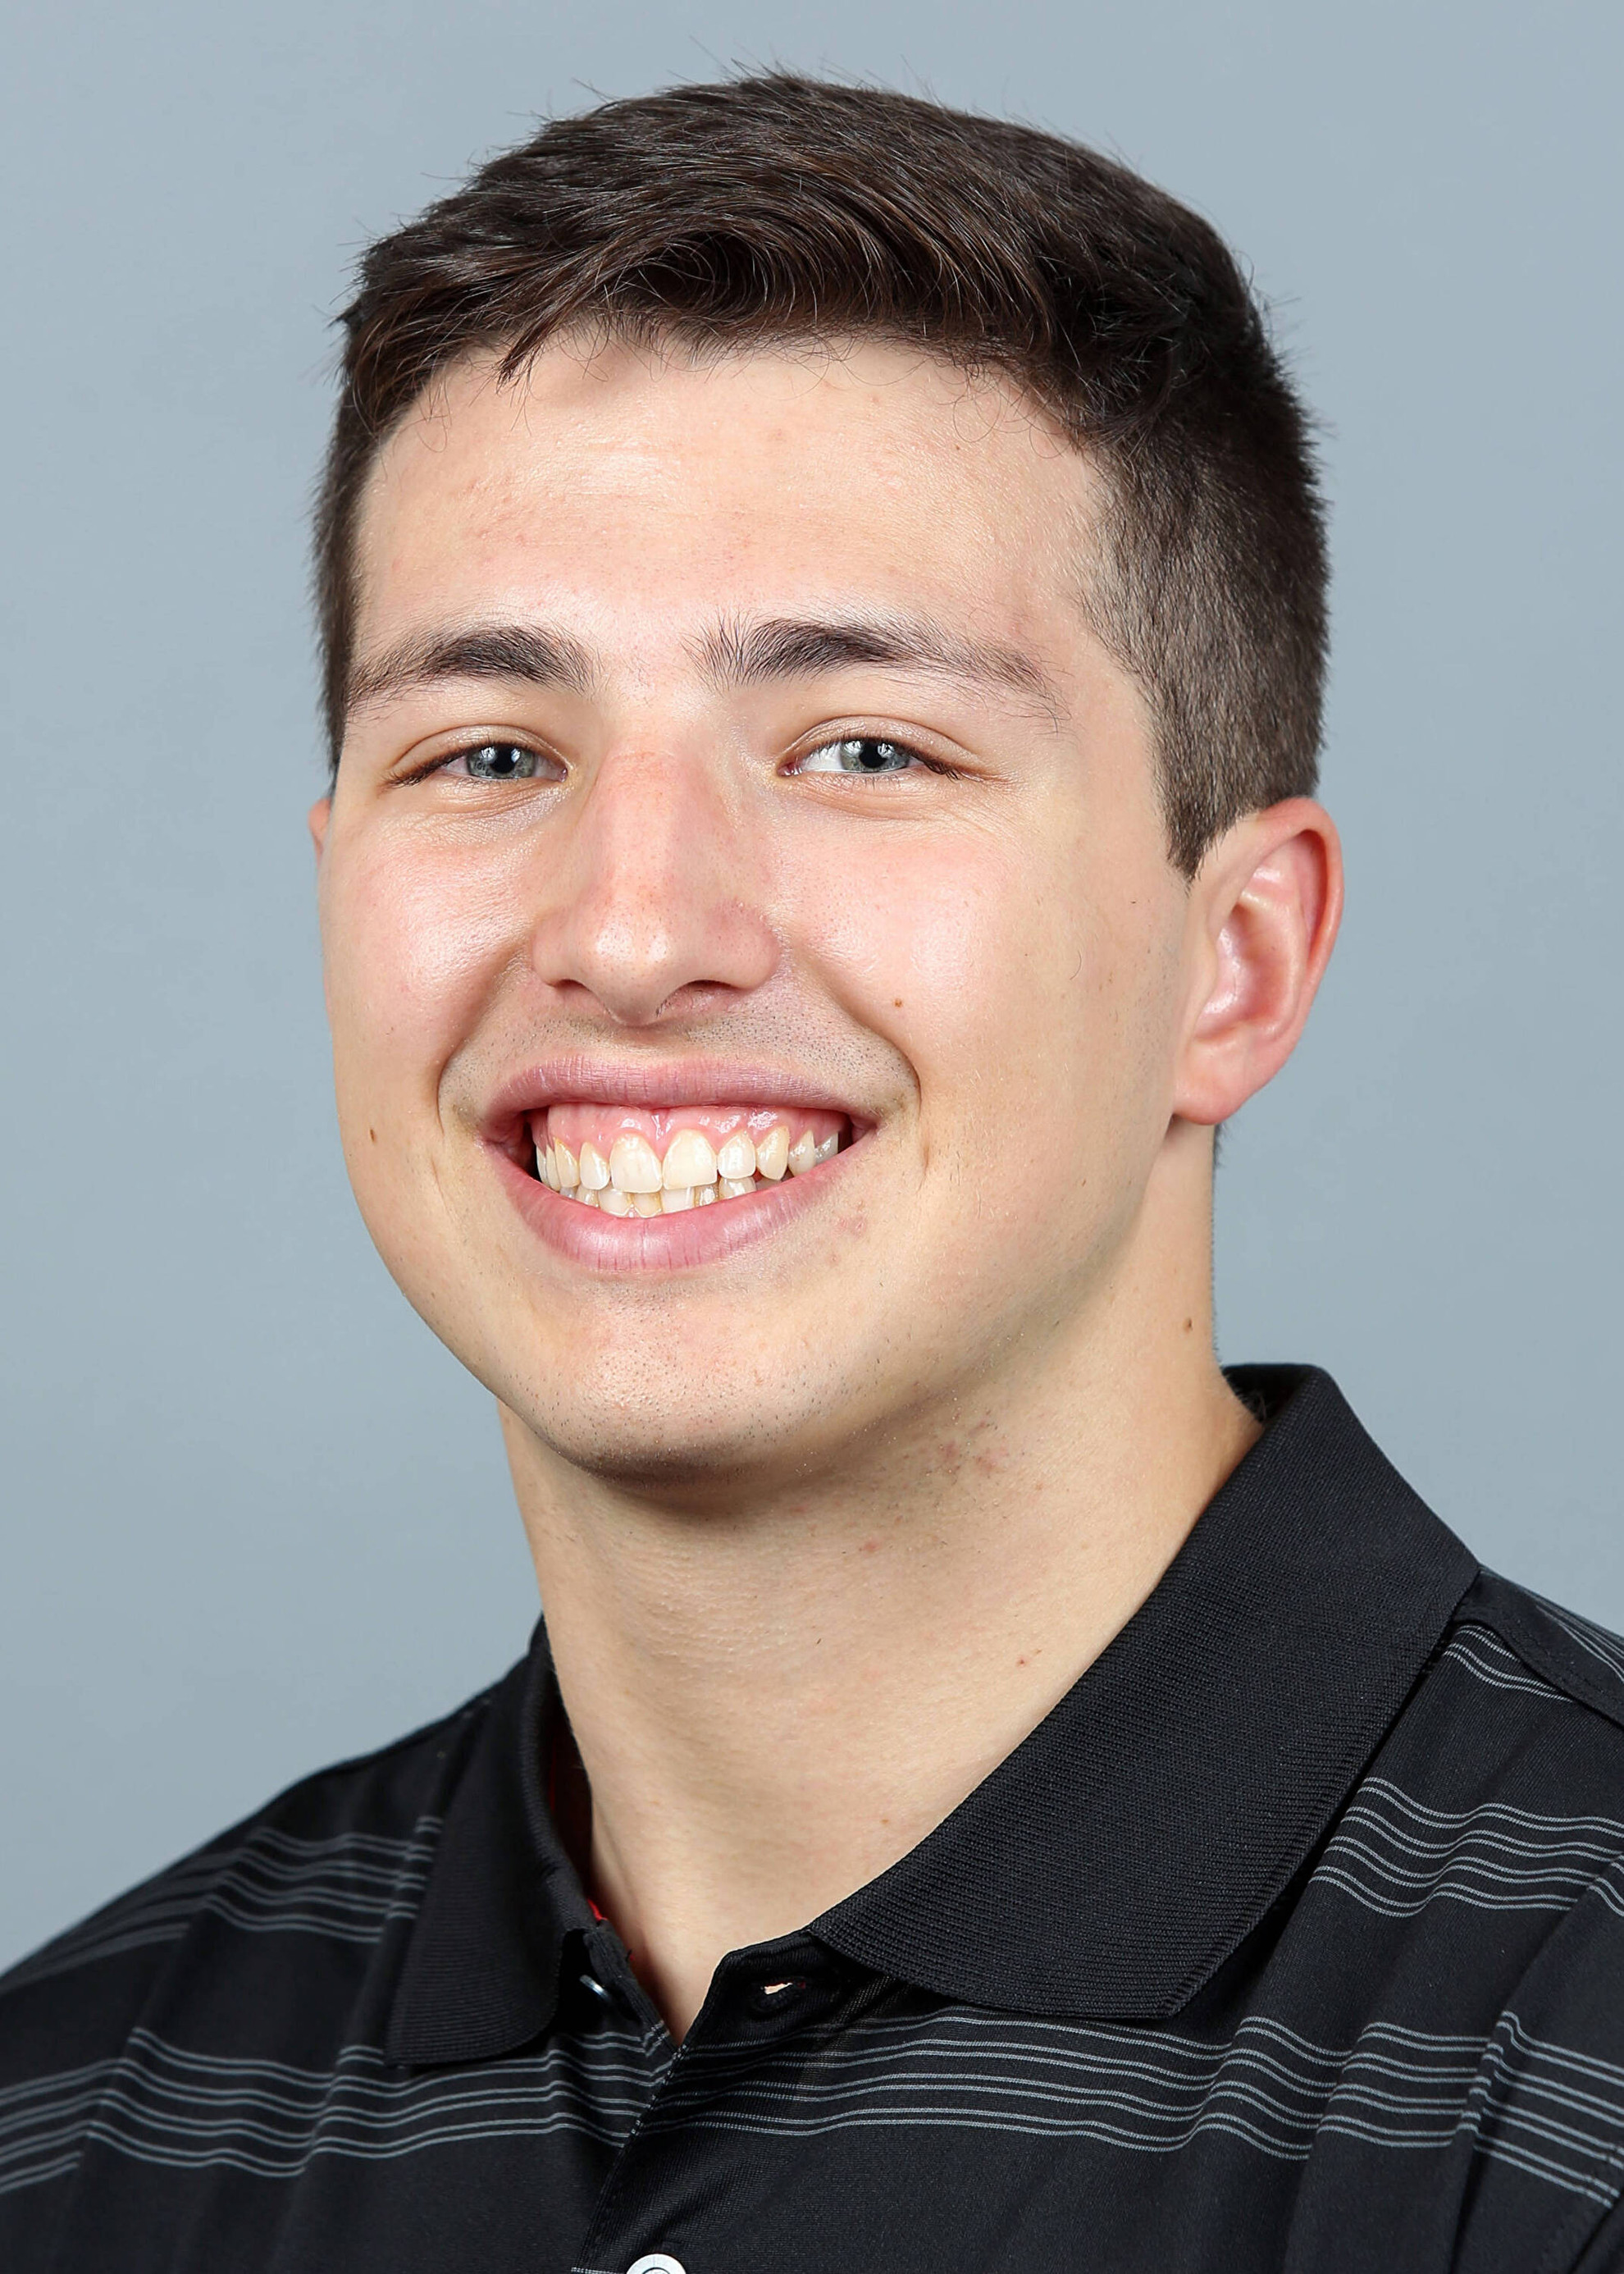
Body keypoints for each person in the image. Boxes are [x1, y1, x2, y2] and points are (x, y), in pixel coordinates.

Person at [5, 72, 1624, 2274]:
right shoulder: (75, 2117)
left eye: (863, 747)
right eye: (490, 751)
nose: (636, 923)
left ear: (1232, 964)